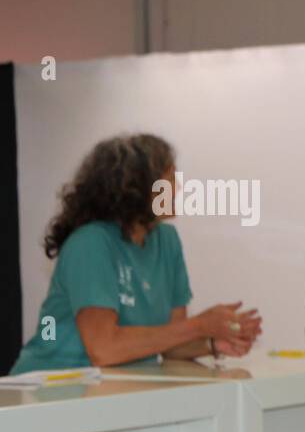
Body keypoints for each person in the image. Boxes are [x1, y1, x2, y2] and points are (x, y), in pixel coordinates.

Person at [9, 134, 262, 375]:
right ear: (137, 188)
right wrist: (199, 326)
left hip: (111, 392)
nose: (179, 188)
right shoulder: (91, 243)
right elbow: (104, 348)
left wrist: (212, 343)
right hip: (47, 391)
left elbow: (170, 343)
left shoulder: (168, 241)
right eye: (170, 179)